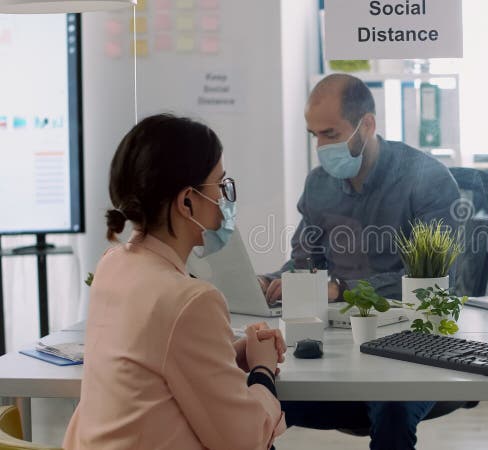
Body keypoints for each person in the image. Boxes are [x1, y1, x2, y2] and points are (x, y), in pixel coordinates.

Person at [259, 74, 461, 449]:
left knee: (392, 408)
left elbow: (437, 279)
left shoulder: (426, 179)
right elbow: (305, 263)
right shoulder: (319, 185)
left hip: (411, 342)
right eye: (314, 135)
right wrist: (270, 281)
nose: (321, 146)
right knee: (255, 394)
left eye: (331, 134)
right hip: (339, 340)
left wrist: (343, 289)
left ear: (366, 125)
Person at [63, 114, 287, 450]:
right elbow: (243, 440)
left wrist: (226, 353)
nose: (226, 199)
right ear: (186, 202)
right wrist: (262, 370)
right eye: (220, 186)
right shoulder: (191, 299)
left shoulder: (113, 265)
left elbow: (156, 368)